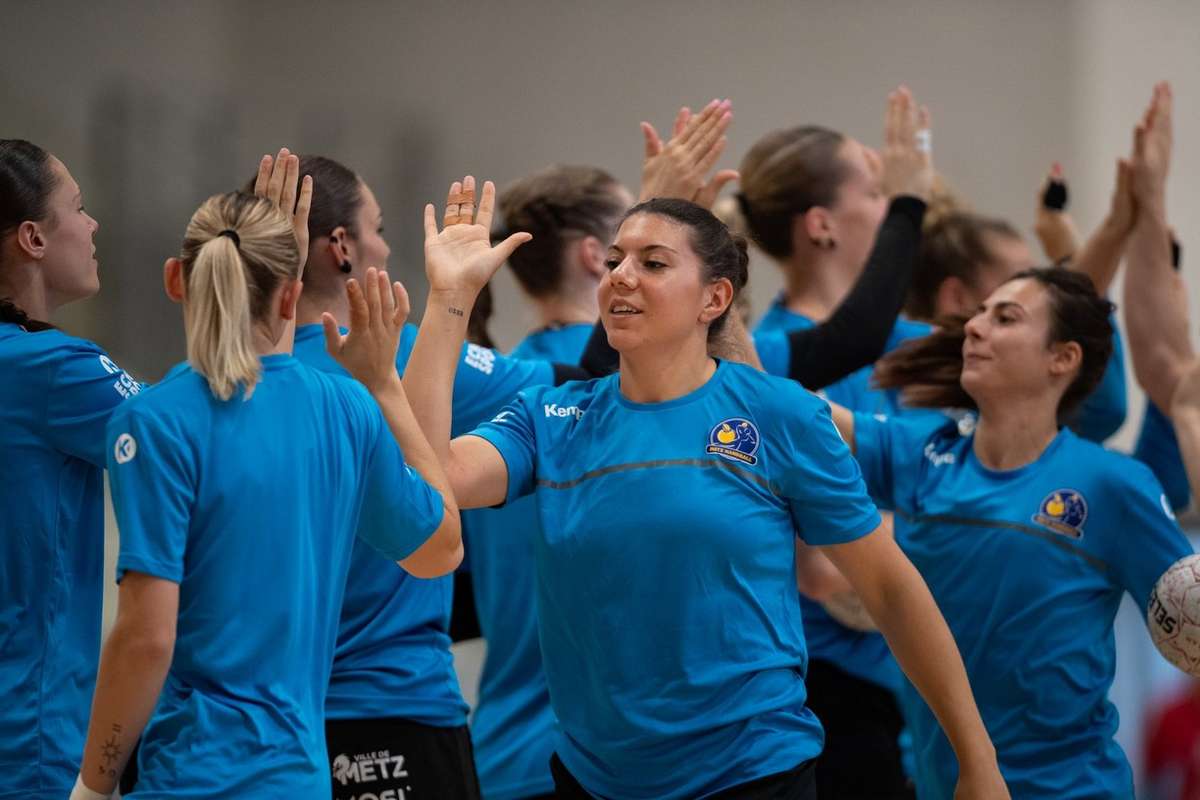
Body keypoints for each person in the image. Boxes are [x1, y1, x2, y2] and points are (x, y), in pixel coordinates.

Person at [400, 174, 1007, 799]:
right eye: (613, 262)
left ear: (714, 299)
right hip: (596, 782)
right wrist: (448, 300)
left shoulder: (780, 415)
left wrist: (977, 758)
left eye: (653, 263)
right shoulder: (551, 417)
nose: (621, 276)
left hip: (752, 774)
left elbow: (890, 587)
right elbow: (426, 482)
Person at [70, 159, 462, 798]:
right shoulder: (346, 408)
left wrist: (92, 782)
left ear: (176, 279)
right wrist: (386, 383)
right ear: (290, 295)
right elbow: (440, 549)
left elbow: (146, 636)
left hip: (191, 776)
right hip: (299, 778)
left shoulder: (154, 420)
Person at [826, 264, 1193, 799]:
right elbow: (795, 414)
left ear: (1061, 359)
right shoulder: (926, 450)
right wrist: (710, 324)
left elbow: (1191, 627)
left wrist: (1187, 405)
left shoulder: (1112, 484)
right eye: (978, 314)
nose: (974, 327)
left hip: (1071, 790)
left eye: (1005, 318)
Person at [460, 163, 629, 800]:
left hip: (501, 752)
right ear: (595, 257)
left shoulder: (491, 391)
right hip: (589, 760)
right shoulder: (615, 394)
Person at [0, 139, 142, 799]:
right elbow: (196, 438)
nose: (92, 227)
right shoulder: (52, 369)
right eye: (78, 209)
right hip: (33, 739)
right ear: (32, 237)